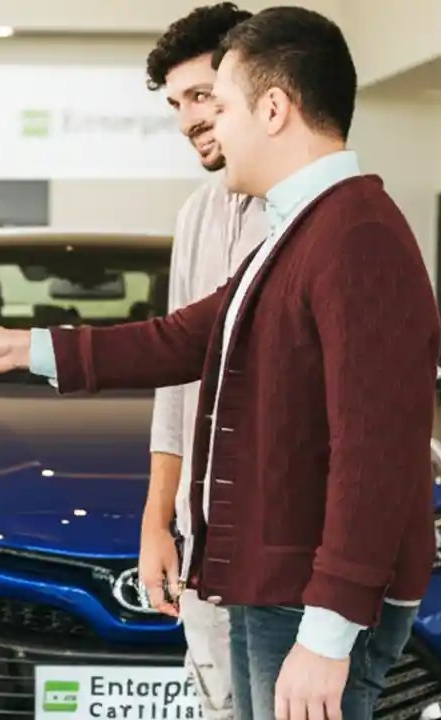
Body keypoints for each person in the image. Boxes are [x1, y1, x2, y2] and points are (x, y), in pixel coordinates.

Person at [0, 7, 440, 720]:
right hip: (274, 582)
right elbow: (181, 339)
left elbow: (376, 454)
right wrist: (21, 348)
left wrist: (327, 634)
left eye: (219, 105)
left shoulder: (356, 239)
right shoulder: (301, 232)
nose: (207, 129)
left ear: (272, 109)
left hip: (305, 596)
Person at [140, 5, 267, 718]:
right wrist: (159, 520)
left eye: (202, 97)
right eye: (177, 104)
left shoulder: (318, 215)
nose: (189, 119)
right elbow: (177, 377)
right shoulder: (196, 214)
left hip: (286, 549)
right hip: (206, 544)